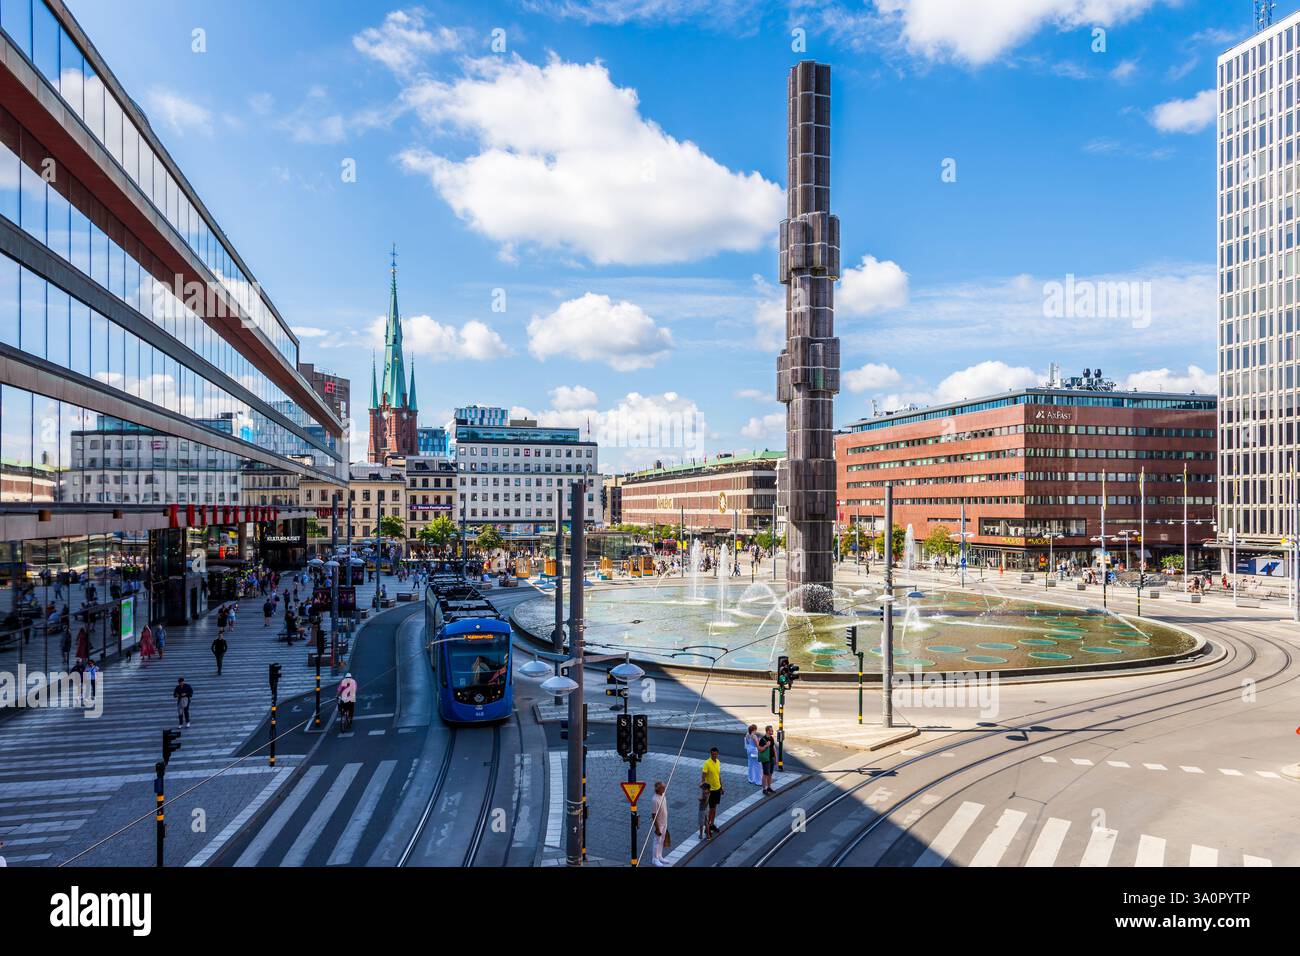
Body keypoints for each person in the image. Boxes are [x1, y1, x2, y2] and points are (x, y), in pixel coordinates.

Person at [701, 746, 723, 836]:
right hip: (711, 791)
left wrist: (721, 787)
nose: (714, 756)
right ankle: (708, 827)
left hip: (717, 788)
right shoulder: (707, 763)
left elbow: (718, 775)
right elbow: (703, 777)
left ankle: (712, 824)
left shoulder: (718, 762)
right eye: (713, 754)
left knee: (714, 808)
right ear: (710, 754)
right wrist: (704, 789)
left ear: (717, 754)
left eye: (715, 754)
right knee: (711, 809)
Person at [650, 781, 670, 866]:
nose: (664, 788)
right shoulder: (655, 800)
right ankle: (655, 859)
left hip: (664, 822)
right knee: (657, 841)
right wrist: (657, 828)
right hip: (659, 824)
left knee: (662, 840)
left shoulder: (663, 795)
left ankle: (660, 856)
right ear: (658, 789)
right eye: (663, 787)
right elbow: (653, 815)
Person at [759, 726, 776, 794]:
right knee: (765, 774)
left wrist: (776, 758)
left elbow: (773, 748)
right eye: (771, 730)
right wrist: (766, 746)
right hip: (766, 759)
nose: (773, 731)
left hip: (771, 758)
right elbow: (760, 750)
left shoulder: (771, 738)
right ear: (768, 731)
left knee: (770, 774)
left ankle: (769, 787)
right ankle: (764, 789)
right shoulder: (762, 739)